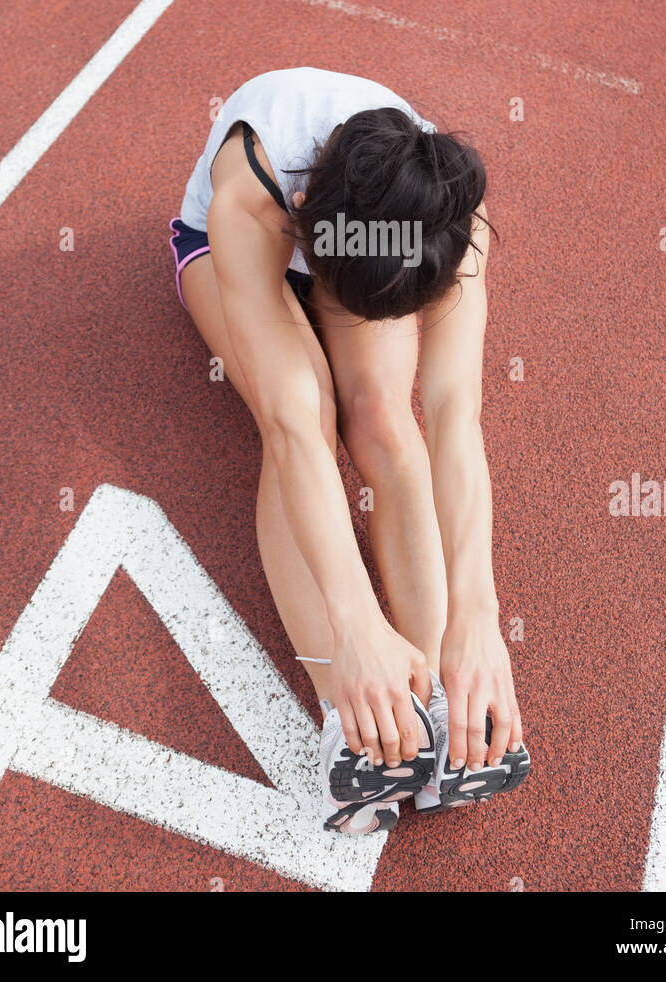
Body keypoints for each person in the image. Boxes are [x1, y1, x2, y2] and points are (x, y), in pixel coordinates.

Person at [168, 67, 529, 834]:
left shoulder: (450, 219)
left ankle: (433, 705)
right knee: (305, 408)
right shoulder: (254, 192)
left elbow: (455, 417)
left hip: (363, 252)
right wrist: (356, 624)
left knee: (382, 420)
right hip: (233, 246)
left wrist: (478, 615)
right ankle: (349, 712)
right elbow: (296, 432)